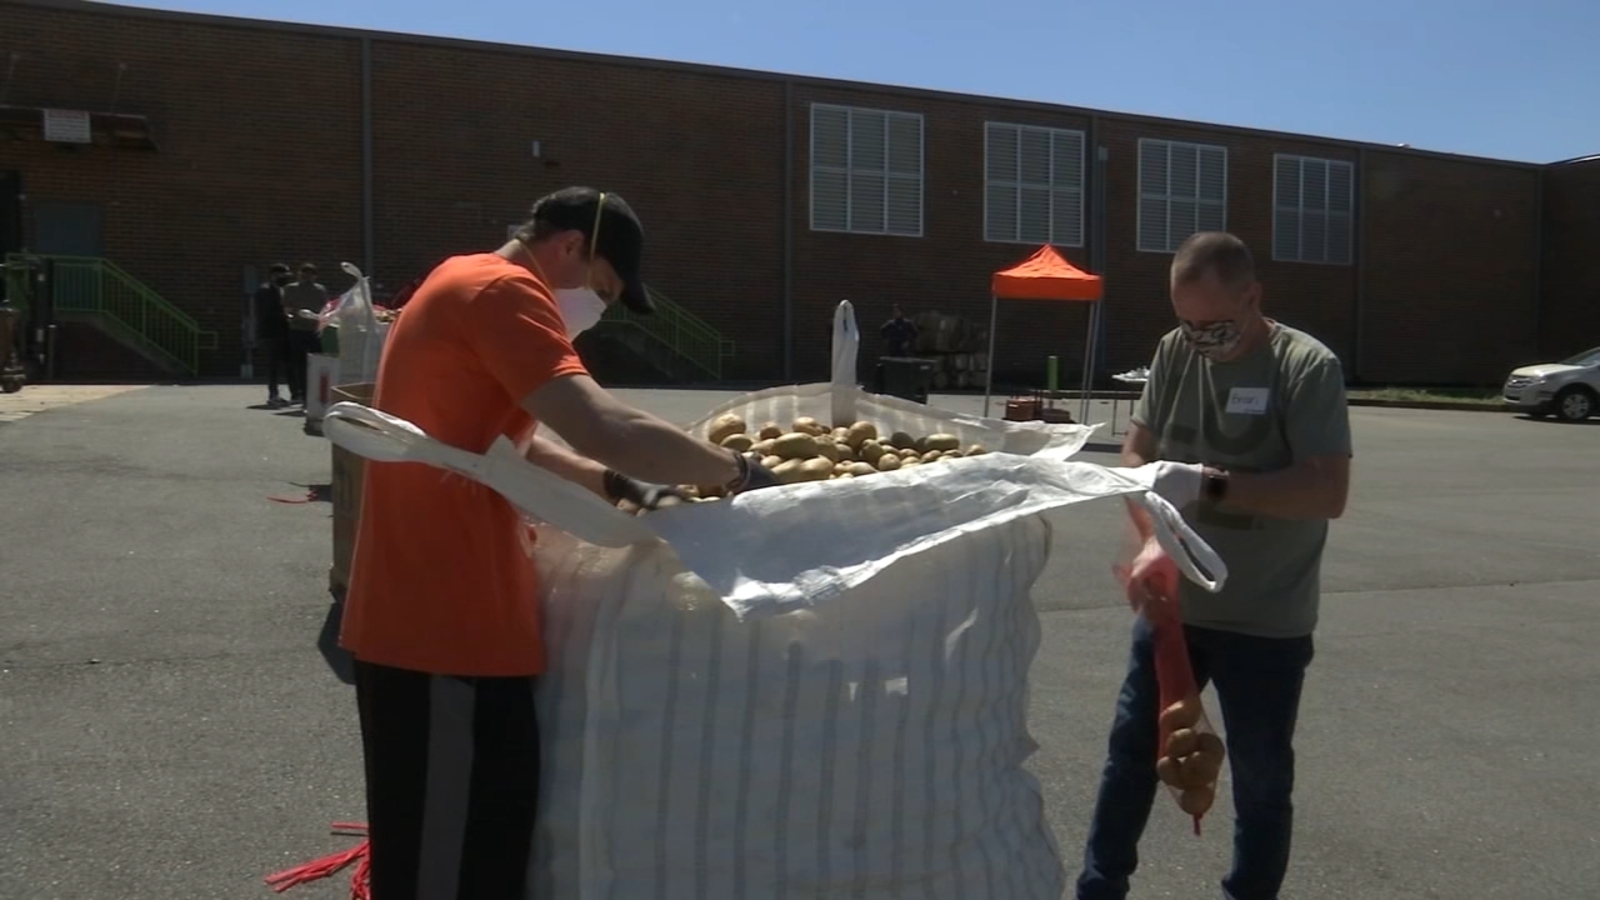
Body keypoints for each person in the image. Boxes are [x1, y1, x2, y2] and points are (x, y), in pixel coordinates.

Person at [339, 186, 780, 900]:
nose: (596, 310)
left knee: (480, 849)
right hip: (442, 630)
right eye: (601, 289)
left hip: (450, 623)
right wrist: (739, 473)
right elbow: (603, 423)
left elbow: (506, 443)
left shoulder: (460, 279)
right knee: (448, 866)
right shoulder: (503, 291)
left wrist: (617, 484)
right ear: (570, 245)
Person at [1076, 231, 1352, 900]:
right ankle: (1099, 889)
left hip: (1265, 620)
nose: (1201, 341)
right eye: (1187, 324)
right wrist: (1152, 539)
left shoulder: (1305, 367)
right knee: (1132, 756)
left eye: (1215, 326)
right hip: (1176, 612)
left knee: (1261, 780)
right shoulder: (1176, 352)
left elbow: (1326, 492)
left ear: (1253, 296)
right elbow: (1136, 457)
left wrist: (1210, 485)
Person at [281, 262, 329, 405]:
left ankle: (306, 394)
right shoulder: (293, 288)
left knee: (305, 364)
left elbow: (325, 308)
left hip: (307, 329)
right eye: (305, 274)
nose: (307, 277)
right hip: (303, 329)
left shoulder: (318, 290)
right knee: (305, 364)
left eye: (310, 274)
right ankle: (305, 394)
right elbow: (287, 308)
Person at [253, 263, 293, 408]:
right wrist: (286, 316)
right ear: (273, 275)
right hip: (271, 332)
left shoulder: (280, 290)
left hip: (282, 331)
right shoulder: (265, 291)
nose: (285, 279)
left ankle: (284, 394)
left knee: (286, 364)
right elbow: (268, 312)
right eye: (283, 276)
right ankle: (273, 395)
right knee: (273, 364)